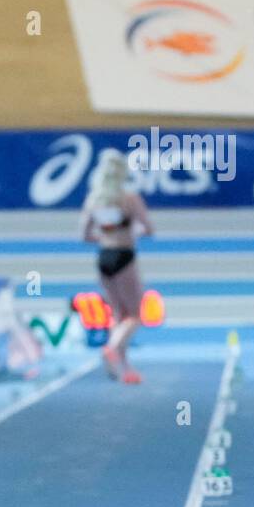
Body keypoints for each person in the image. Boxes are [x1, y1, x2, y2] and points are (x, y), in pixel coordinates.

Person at [80, 151, 154, 384]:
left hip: (104, 257)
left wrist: (106, 235)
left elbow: (84, 235)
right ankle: (112, 348)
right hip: (124, 254)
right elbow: (148, 228)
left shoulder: (94, 201)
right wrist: (128, 233)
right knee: (134, 314)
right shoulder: (129, 199)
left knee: (117, 314)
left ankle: (123, 368)